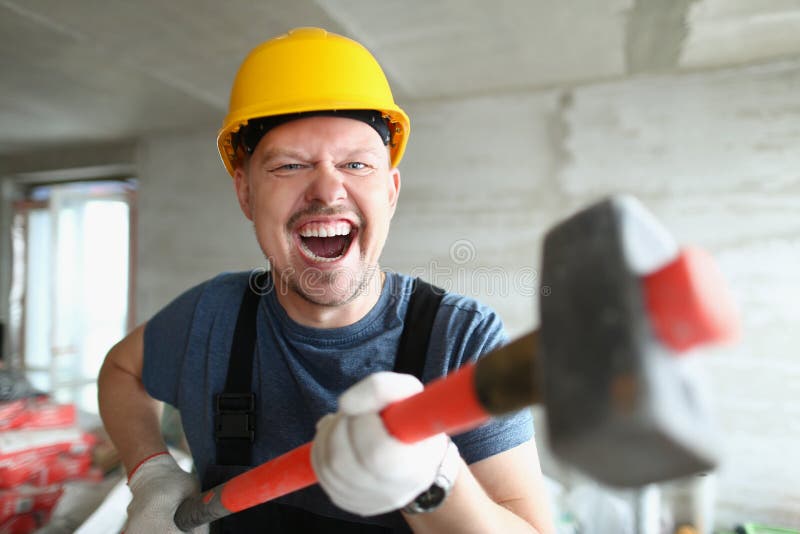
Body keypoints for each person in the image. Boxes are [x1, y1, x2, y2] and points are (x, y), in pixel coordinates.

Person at [98, 27, 555, 534]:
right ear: (246, 193)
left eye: (356, 163)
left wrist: (435, 480)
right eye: (290, 165)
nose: (327, 188)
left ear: (391, 191)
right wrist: (151, 474)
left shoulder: (461, 340)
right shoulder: (212, 317)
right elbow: (120, 371)